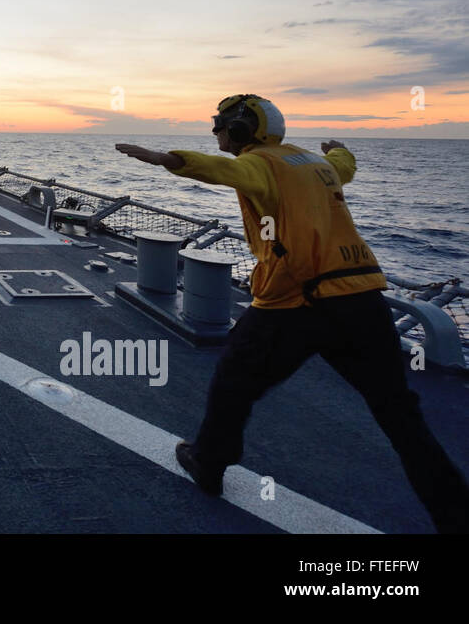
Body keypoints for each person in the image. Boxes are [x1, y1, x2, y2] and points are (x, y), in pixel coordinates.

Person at [115, 94, 469, 533]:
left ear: (244, 130)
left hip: (296, 301)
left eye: (222, 125)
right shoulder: (313, 164)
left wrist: (167, 159)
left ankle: (208, 462)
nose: (216, 132)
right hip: (363, 298)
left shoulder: (261, 163)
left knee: (233, 382)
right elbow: (344, 165)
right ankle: (455, 516)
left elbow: (225, 170)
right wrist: (336, 148)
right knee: (401, 416)